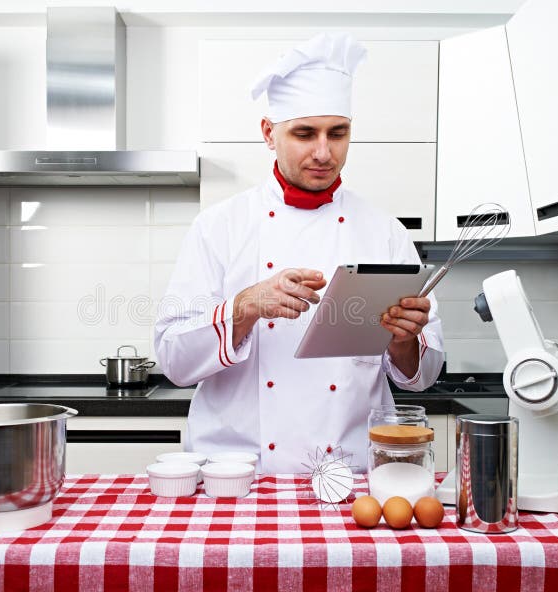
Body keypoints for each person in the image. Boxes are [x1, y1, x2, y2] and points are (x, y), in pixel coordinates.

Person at [154, 33, 443, 473]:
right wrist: (245, 307)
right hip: (237, 475)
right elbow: (174, 360)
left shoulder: (385, 233)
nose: (324, 153)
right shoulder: (218, 228)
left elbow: (421, 376)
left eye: (338, 133)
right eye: (305, 134)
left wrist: (405, 341)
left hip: (349, 475)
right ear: (269, 133)